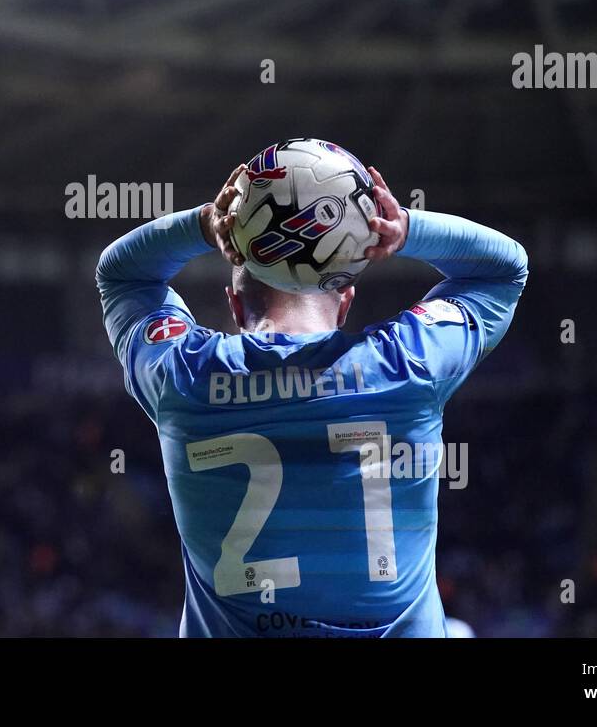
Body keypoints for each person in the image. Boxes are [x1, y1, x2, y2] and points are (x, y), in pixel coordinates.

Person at [96, 158, 528, 636]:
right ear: (346, 301)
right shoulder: (407, 363)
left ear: (235, 304)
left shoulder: (184, 377)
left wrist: (204, 226)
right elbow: (504, 270)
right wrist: (405, 229)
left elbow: (122, 275)